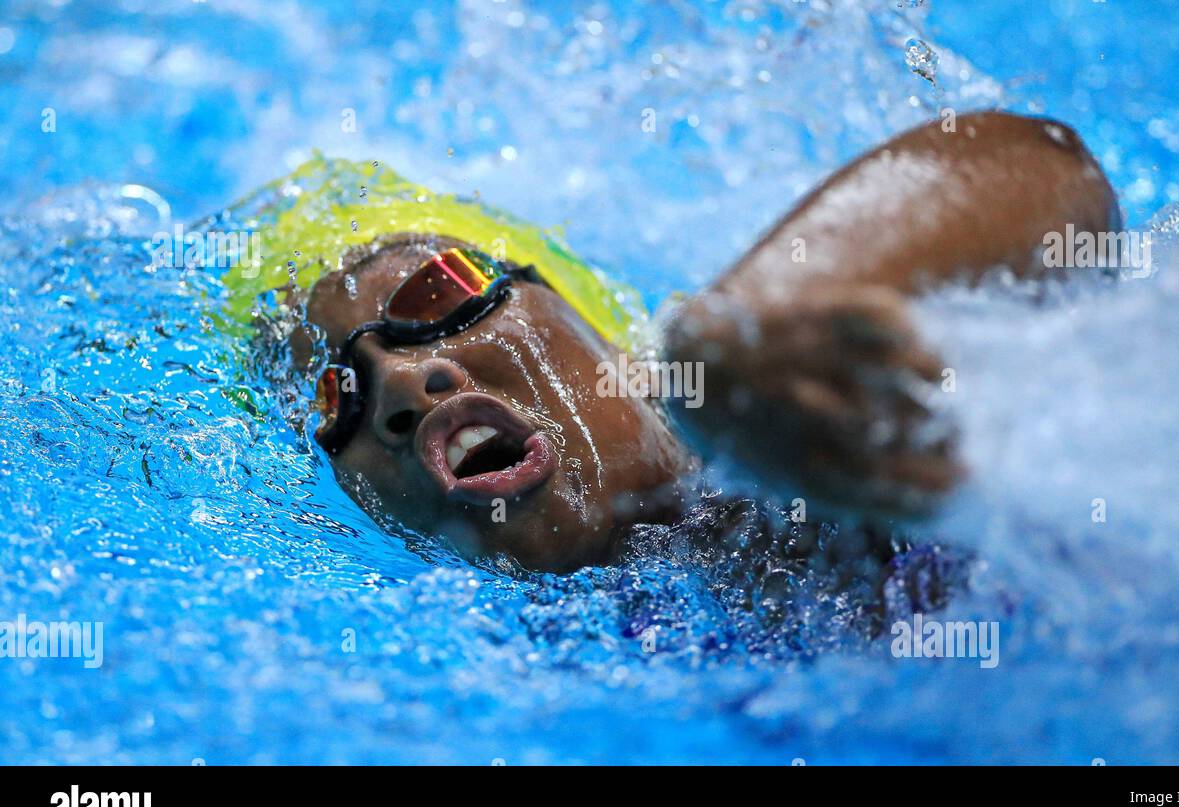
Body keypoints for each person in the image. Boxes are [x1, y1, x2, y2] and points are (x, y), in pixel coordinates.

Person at [278, 111, 1118, 572]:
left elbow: (1044, 167)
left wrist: (750, 327)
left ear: (608, 334)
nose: (393, 380)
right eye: (334, 396)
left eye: (438, 295)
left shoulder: (799, 454)